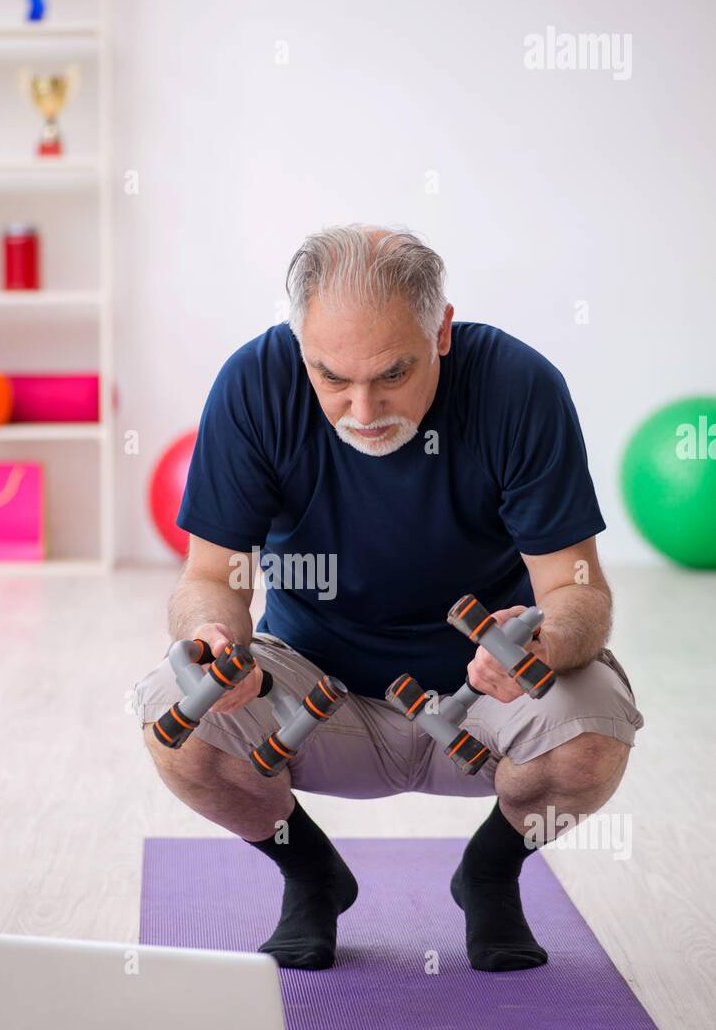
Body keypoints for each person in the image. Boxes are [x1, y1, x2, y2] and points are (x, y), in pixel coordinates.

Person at [134, 224, 644, 972]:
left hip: (482, 699)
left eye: (392, 374)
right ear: (299, 340)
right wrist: (215, 639)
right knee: (171, 721)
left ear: (440, 331)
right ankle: (309, 874)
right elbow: (210, 577)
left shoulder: (517, 386)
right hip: (317, 694)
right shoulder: (254, 383)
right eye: (332, 377)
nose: (362, 408)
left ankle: (491, 872)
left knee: (593, 729)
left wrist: (541, 644)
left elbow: (578, 591)